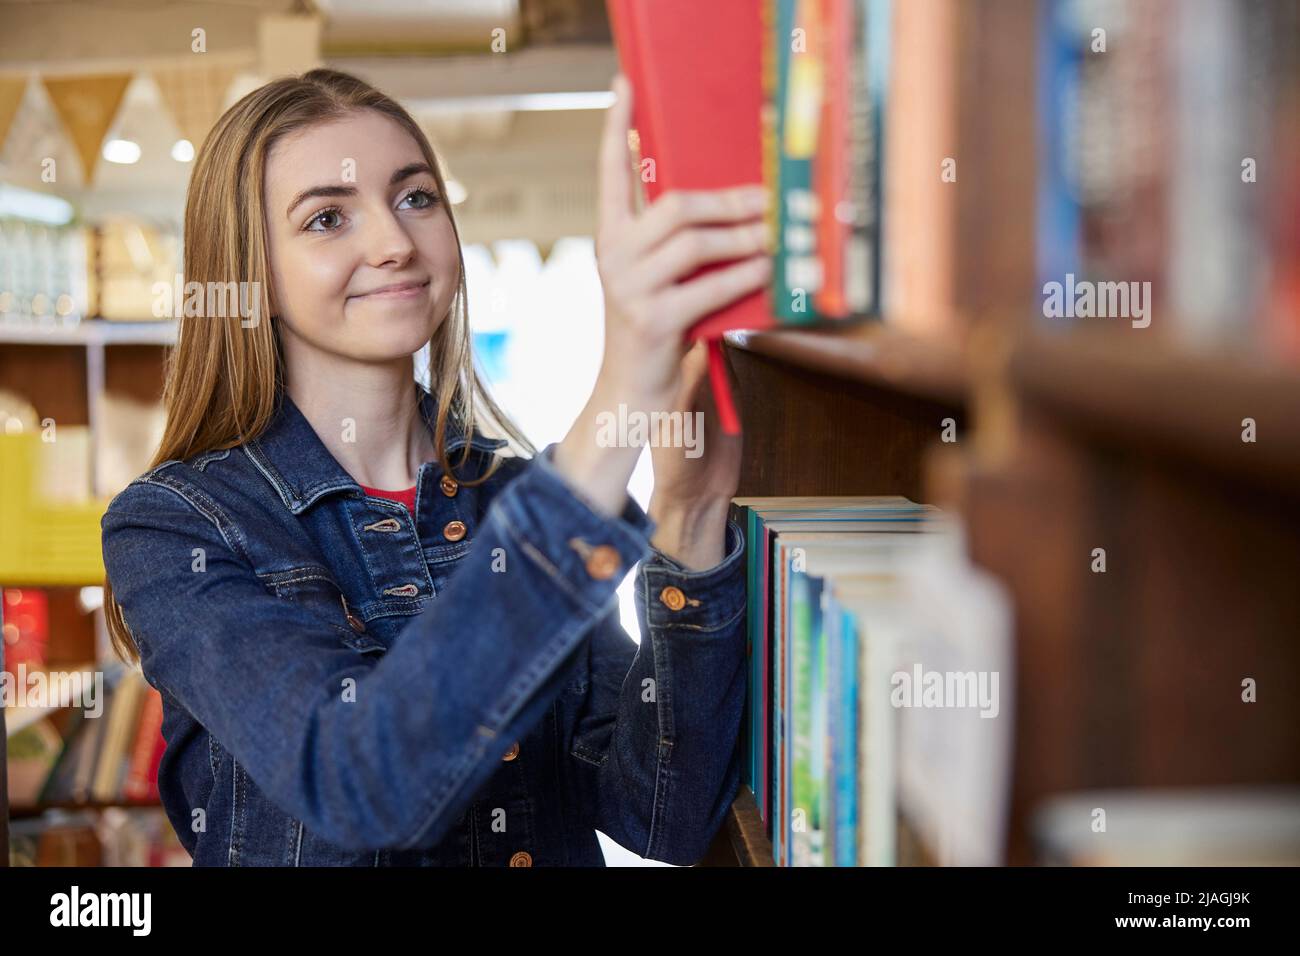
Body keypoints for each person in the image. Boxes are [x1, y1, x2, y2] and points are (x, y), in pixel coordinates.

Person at [100, 68, 771, 866]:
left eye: (415, 197)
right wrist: (620, 389)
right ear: (252, 277)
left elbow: (665, 813)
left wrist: (690, 525)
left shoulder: (514, 497)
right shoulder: (175, 527)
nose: (394, 243)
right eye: (326, 219)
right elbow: (358, 782)